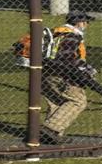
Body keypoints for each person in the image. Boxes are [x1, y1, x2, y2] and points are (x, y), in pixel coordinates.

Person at [40, 11, 97, 145]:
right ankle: (50, 129)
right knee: (78, 101)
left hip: (46, 73)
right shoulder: (72, 36)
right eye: (86, 22)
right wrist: (85, 68)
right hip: (64, 75)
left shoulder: (55, 32)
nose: (87, 25)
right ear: (79, 23)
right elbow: (67, 57)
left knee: (58, 103)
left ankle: (51, 136)